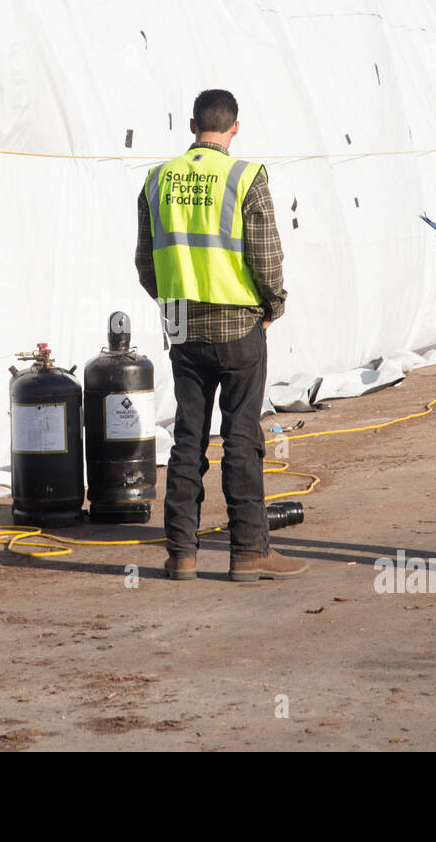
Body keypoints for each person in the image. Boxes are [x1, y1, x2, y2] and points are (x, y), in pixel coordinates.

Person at [134, 89, 305, 582]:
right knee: (240, 437)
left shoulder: (157, 179)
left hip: (183, 325)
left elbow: (146, 263)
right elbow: (266, 255)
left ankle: (181, 553)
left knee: (188, 438)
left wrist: (174, 301)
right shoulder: (245, 177)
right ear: (235, 128)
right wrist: (273, 305)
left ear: (192, 125)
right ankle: (249, 551)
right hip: (239, 325)